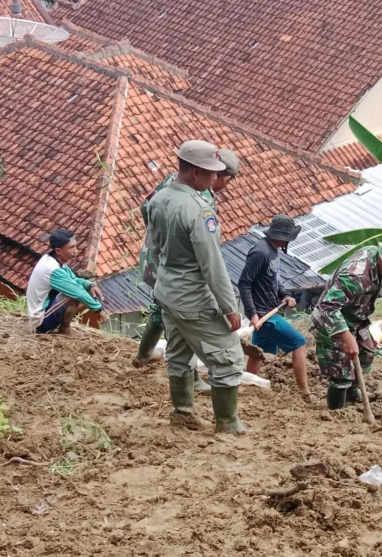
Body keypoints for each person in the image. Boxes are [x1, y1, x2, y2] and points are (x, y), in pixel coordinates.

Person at [147, 140, 248, 434]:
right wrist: (230, 308)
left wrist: (161, 284)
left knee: (178, 352)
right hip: (193, 297)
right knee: (228, 359)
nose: (216, 179)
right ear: (194, 173)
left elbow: (154, 249)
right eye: (212, 173)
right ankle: (227, 424)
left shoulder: (159, 198)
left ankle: (182, 412)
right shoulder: (198, 210)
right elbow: (212, 264)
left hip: (167, 291)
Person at [132, 149, 241, 367]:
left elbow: (146, 207)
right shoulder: (203, 197)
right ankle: (184, 371)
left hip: (155, 254)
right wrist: (229, 307)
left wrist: (159, 233)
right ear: (221, 176)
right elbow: (207, 255)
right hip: (179, 267)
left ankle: (143, 355)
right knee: (186, 316)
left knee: (161, 305)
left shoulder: (173, 179)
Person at [311, 238, 382, 410]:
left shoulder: (374, 255)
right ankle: (336, 411)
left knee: (366, 354)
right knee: (341, 372)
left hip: (355, 319)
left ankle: (352, 393)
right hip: (329, 322)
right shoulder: (355, 276)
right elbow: (327, 307)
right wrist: (346, 337)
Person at [238, 215, 310, 398]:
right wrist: (253, 314)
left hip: (270, 309)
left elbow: (274, 281)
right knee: (299, 343)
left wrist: (284, 295)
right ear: (283, 236)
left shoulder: (273, 251)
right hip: (264, 314)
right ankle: (305, 392)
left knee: (257, 353)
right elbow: (244, 283)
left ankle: (249, 386)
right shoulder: (260, 252)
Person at [26, 229, 104, 335]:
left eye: (76, 246)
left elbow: (74, 280)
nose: (76, 251)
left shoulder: (53, 261)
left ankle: (62, 326)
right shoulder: (53, 269)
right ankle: (64, 329)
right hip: (40, 321)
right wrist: (98, 310)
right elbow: (78, 292)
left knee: (81, 290)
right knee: (74, 295)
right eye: (71, 247)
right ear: (58, 250)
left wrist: (90, 284)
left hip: (46, 308)